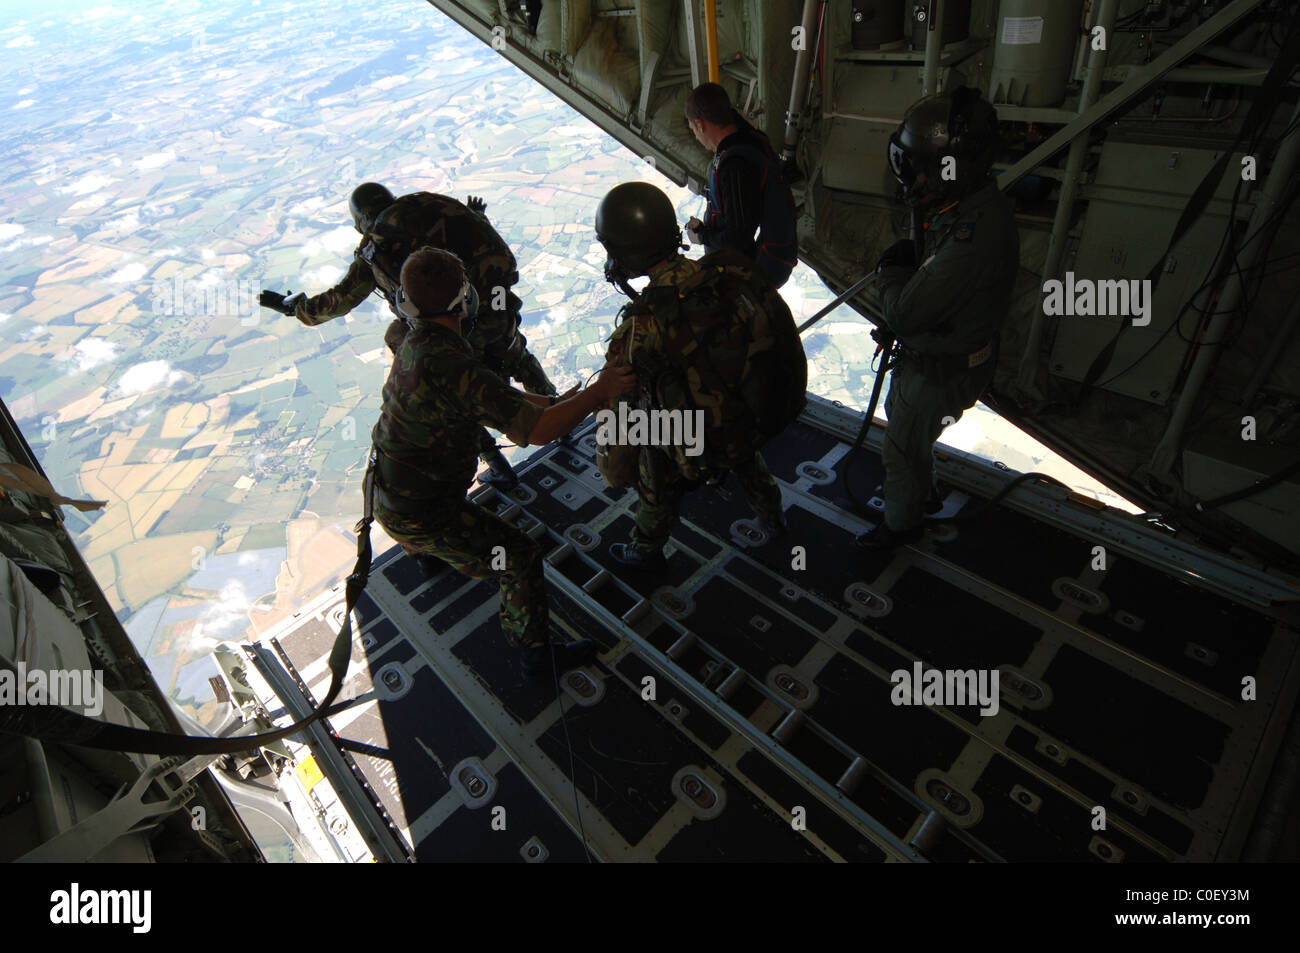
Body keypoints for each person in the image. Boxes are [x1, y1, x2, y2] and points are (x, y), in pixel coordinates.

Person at [368, 245, 635, 675]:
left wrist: (553, 401)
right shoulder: (451, 362)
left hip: (388, 493)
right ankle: (536, 654)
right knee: (520, 556)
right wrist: (598, 392)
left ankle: (427, 556)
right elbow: (538, 432)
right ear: (466, 301)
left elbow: (492, 395)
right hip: (425, 511)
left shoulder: (417, 343)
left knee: (442, 535)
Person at [259, 183, 555, 491]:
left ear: (362, 220)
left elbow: (339, 301)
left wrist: (297, 309)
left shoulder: (377, 244)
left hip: (453, 330)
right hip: (497, 306)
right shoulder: (433, 203)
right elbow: (483, 238)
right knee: (516, 353)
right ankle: (561, 413)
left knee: (451, 388)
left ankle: (497, 464)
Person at [595, 182, 801, 571]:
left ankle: (646, 548)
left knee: (652, 467)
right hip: (743, 415)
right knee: (744, 455)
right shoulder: (724, 273)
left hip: (698, 434)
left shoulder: (640, 328)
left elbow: (621, 417)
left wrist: (614, 463)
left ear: (624, 253)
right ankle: (773, 515)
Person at [855, 87, 1020, 550]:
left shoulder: (973, 236)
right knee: (911, 439)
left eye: (925, 169)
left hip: (940, 371)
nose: (916, 181)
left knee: (901, 451)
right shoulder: (967, 205)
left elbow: (905, 314)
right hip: (940, 360)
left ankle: (901, 528)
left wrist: (890, 274)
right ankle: (920, 496)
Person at [683, 82, 798, 288]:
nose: (697, 136)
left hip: (756, 274)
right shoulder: (748, 140)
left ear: (700, 124)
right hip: (767, 260)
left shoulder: (735, 166)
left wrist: (702, 236)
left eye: (694, 129)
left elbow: (737, 237)